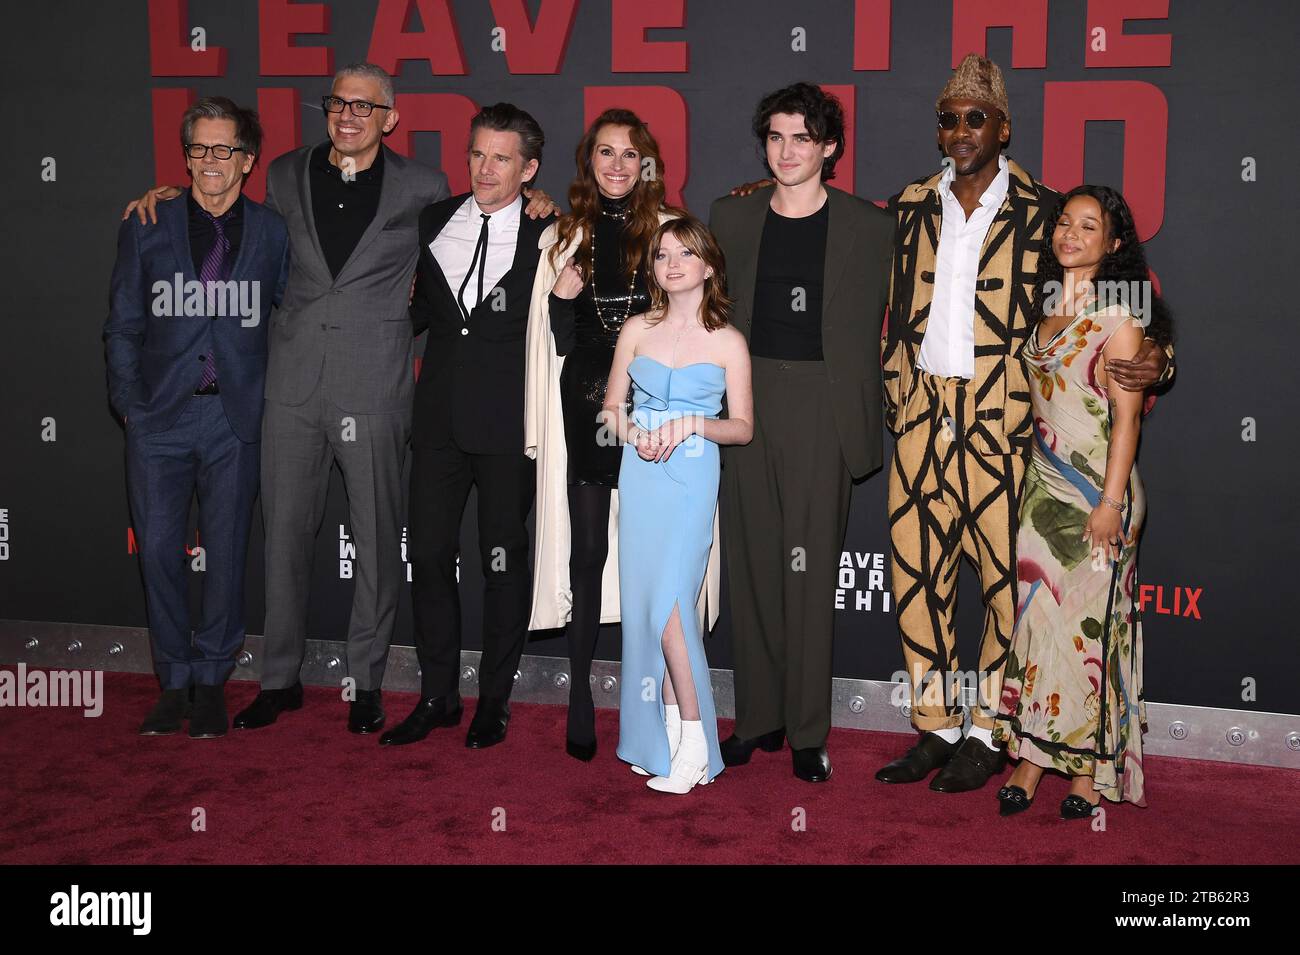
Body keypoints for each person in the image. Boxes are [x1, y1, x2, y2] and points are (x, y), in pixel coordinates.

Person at [122, 65, 554, 735]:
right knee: (284, 538)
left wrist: (540, 199)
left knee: (379, 542)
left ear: (390, 117)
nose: (347, 114)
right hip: (288, 384)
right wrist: (167, 196)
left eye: (364, 105)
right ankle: (279, 679)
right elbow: (227, 212)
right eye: (337, 102)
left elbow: (487, 221)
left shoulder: (426, 190)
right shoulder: (285, 176)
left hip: (376, 384)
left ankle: (367, 683)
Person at [876, 54, 1173, 792]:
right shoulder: (908, 204)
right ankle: (937, 725)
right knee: (918, 577)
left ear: (1003, 127)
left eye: (976, 117)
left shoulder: (1044, 211)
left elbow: (1120, 292)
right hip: (919, 418)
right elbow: (835, 244)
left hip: (1004, 424)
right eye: (949, 117)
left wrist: (1158, 356)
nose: (961, 130)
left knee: (1008, 587)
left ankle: (987, 729)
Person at [524, 109, 721, 761]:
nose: (616, 164)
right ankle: (580, 696)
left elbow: (695, 323)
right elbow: (558, 341)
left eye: (628, 153)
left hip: (655, 414)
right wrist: (559, 295)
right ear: (590, 162)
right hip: (586, 403)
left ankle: (664, 704)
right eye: (604, 152)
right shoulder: (565, 233)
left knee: (655, 564)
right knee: (587, 559)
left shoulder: (669, 232)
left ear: (646, 164)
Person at [709, 83, 892, 783]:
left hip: (824, 402)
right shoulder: (730, 215)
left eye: (802, 139)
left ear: (830, 148)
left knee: (809, 572)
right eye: (777, 137)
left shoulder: (872, 227)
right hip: (746, 395)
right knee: (754, 566)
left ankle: (809, 730)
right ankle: (758, 716)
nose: (787, 151)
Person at [104, 97, 288, 737]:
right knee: (157, 552)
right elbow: (123, 323)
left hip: (235, 418)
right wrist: (129, 403)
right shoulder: (147, 223)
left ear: (248, 159)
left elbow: (290, 316)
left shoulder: (272, 231)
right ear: (186, 158)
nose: (211, 161)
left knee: (228, 553)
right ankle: (173, 680)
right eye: (199, 149)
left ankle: (212, 680)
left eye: (224, 149)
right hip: (159, 419)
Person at [993, 185, 1168, 817]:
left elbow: (1128, 422)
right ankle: (1033, 760)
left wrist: (1111, 503)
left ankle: (1086, 775)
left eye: (1088, 226)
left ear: (1113, 244)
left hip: (1100, 494)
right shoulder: (1043, 308)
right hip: (1044, 493)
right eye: (1064, 222)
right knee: (1042, 628)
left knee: (1090, 637)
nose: (1069, 234)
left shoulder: (1120, 320)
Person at [382, 103, 550, 751]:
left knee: (502, 563)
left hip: (510, 428)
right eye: (477, 153)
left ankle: (495, 699)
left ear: (529, 168)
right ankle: (438, 694)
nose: (484, 168)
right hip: (438, 424)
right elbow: (422, 309)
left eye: (501, 157)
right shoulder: (435, 219)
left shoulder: (548, 233)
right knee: (427, 555)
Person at [602, 216, 752, 793]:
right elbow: (611, 407)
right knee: (646, 612)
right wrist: (632, 430)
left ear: (708, 265)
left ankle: (696, 744)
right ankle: (658, 743)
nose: (670, 263)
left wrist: (692, 423)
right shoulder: (637, 328)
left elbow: (742, 428)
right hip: (640, 475)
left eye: (684, 253)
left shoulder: (728, 341)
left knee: (672, 613)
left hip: (691, 478)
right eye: (662, 254)